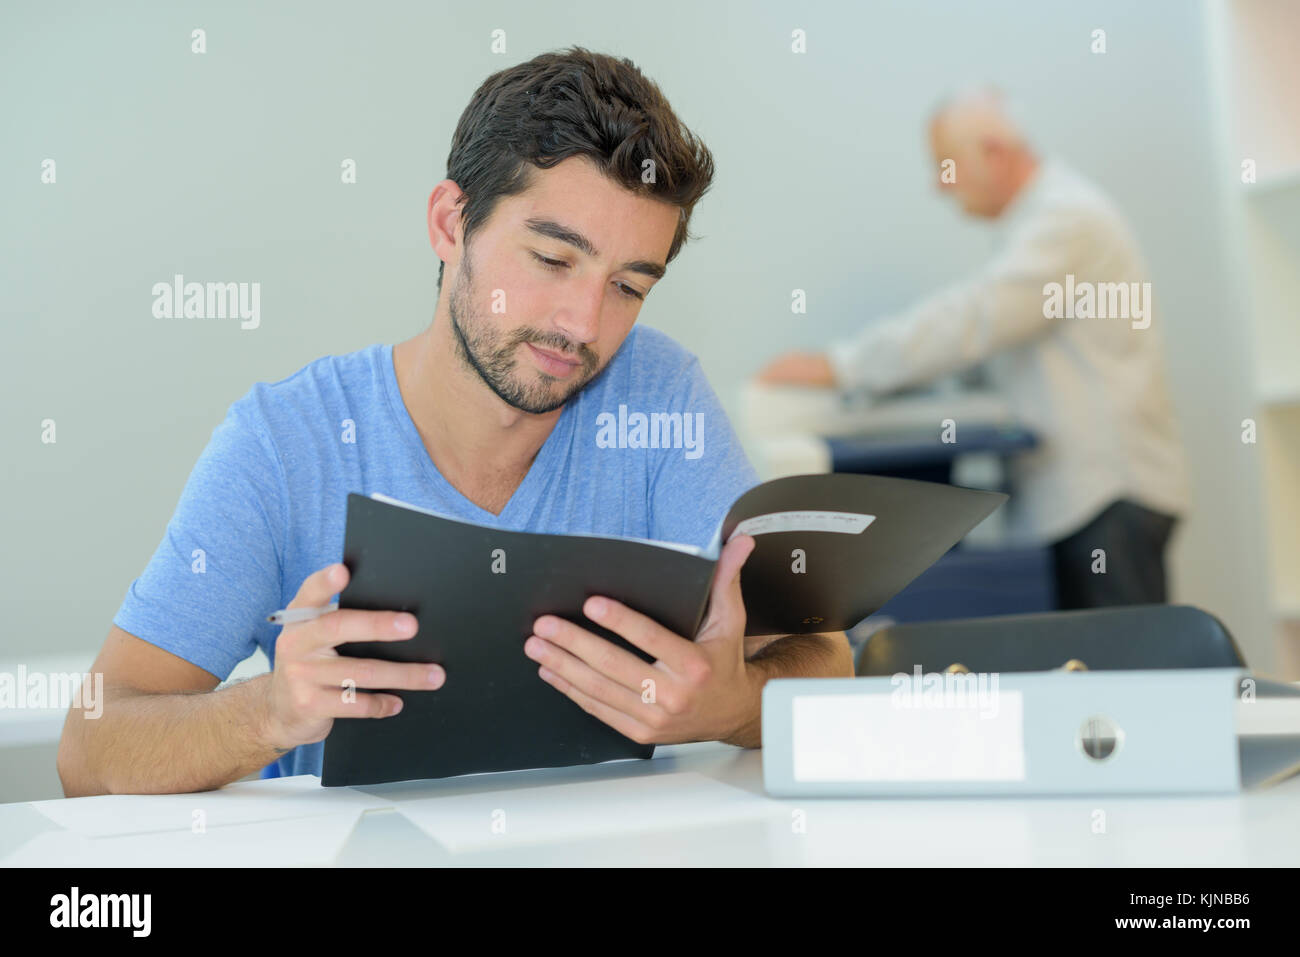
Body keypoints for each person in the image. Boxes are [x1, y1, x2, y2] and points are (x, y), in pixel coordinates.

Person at [59, 47, 852, 797]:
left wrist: (731, 703)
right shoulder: (284, 441)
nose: (583, 323)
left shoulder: (658, 394)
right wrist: (266, 710)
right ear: (449, 223)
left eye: (629, 286)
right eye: (551, 259)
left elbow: (824, 656)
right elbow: (89, 752)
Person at [757, 90, 1190, 611]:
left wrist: (842, 366)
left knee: (1128, 678)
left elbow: (976, 319)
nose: (940, 185)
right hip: (1085, 498)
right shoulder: (1038, 223)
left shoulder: (1067, 219)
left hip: (1106, 496)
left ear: (994, 152)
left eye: (945, 165)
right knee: (1100, 673)